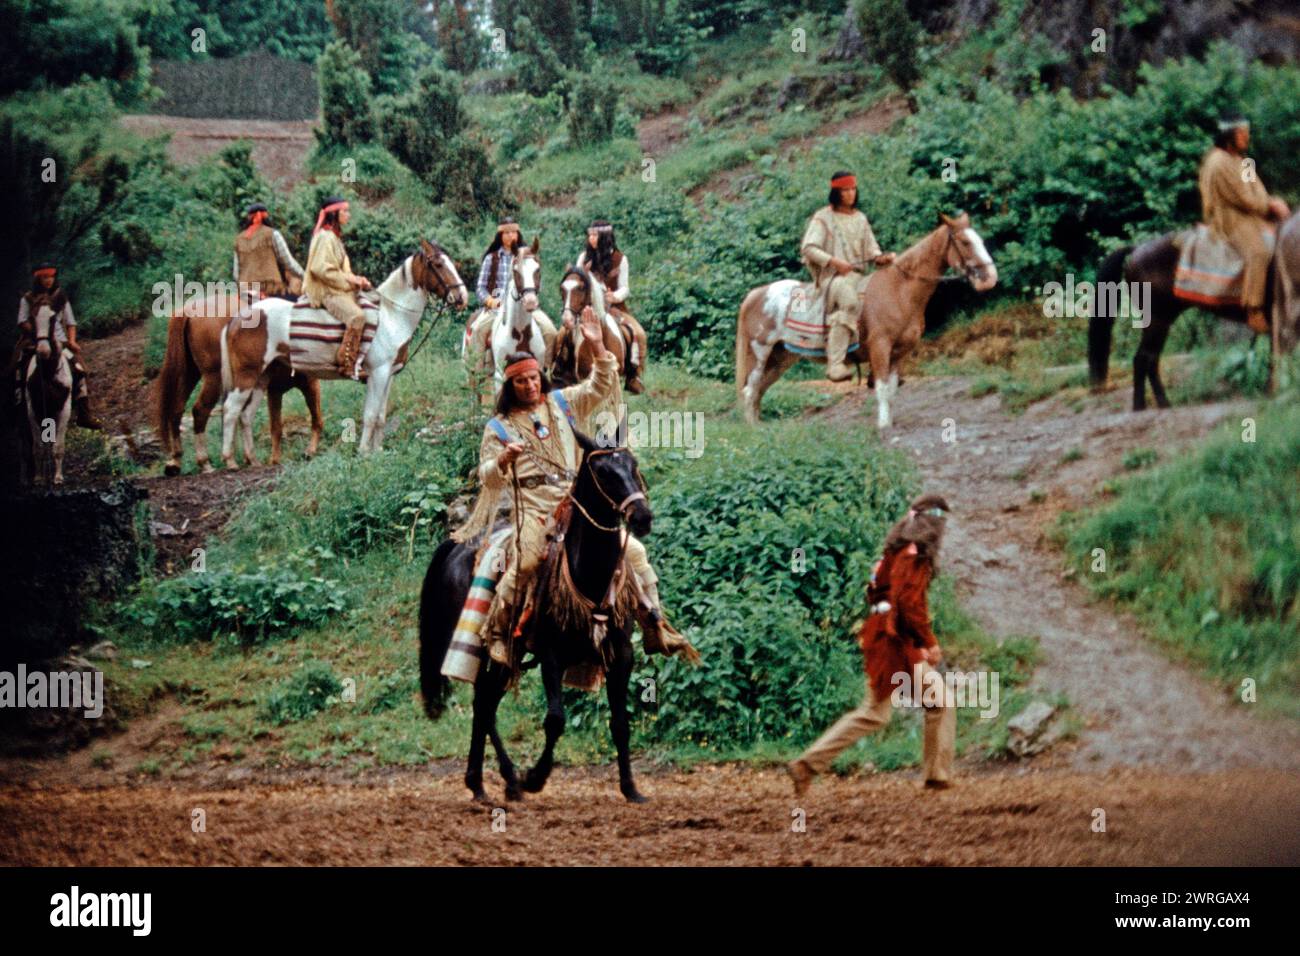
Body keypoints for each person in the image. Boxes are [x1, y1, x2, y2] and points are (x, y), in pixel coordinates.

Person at [452, 307, 692, 666]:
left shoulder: (563, 402)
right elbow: (487, 474)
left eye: (534, 378)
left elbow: (600, 385)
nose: (530, 386)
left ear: (541, 378)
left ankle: (655, 625)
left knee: (636, 553)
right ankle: (499, 632)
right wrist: (502, 461)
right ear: (510, 386)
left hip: (574, 503)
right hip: (534, 510)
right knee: (527, 560)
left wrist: (597, 346)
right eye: (521, 381)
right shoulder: (499, 428)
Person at [788, 494, 956, 795]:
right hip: (891, 642)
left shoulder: (895, 551)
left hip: (892, 636)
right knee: (875, 712)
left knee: (939, 701)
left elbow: (878, 593)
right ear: (934, 523)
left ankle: (936, 775)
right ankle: (806, 765)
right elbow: (909, 603)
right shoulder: (912, 554)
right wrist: (928, 642)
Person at [1197, 117, 1291, 335]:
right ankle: (1254, 309)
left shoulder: (1243, 161)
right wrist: (1271, 205)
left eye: (1246, 133)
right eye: (1241, 134)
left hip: (1253, 214)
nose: (1246, 137)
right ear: (1228, 136)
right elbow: (1244, 199)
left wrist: (1271, 202)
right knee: (1258, 252)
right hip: (1231, 219)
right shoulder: (1218, 163)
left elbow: (1256, 190)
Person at [800, 171, 896, 381]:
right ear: (836, 192)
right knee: (850, 301)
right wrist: (834, 262)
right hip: (831, 279)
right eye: (845, 190)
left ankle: (877, 363)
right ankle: (835, 364)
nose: (850, 194)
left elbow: (872, 250)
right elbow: (808, 248)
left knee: (881, 303)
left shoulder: (860, 218)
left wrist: (881, 258)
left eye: (853, 189)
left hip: (859, 276)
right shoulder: (823, 217)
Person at [13, 263, 101, 429]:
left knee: (80, 369)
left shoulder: (60, 298)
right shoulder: (28, 299)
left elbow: (71, 323)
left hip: (59, 341)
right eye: (44, 277)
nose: (48, 280)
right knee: (19, 366)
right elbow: (22, 321)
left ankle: (83, 413)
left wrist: (72, 341)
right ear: (38, 279)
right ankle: (18, 404)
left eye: (51, 277)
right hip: (34, 340)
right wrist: (39, 333)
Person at [575, 219, 648, 394]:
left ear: (605, 236)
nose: (591, 238)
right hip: (587, 308)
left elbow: (625, 287)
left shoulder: (620, 259)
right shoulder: (584, 257)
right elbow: (578, 280)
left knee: (638, 333)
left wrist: (614, 296)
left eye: (595, 235)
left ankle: (633, 375)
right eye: (590, 235)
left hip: (614, 307)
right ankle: (559, 369)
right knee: (563, 332)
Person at [303, 196, 371, 378]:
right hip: (327, 291)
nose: (348, 215)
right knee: (357, 316)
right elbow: (319, 268)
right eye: (345, 211)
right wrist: (350, 281)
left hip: (337, 287)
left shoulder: (334, 238)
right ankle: (347, 362)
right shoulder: (326, 237)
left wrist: (357, 280)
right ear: (334, 214)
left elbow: (342, 269)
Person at [233, 202, 304, 301]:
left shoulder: (239, 239)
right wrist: (304, 275)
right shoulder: (273, 234)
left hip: (246, 292)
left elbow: (236, 274)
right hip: (270, 290)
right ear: (266, 216)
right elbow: (288, 263)